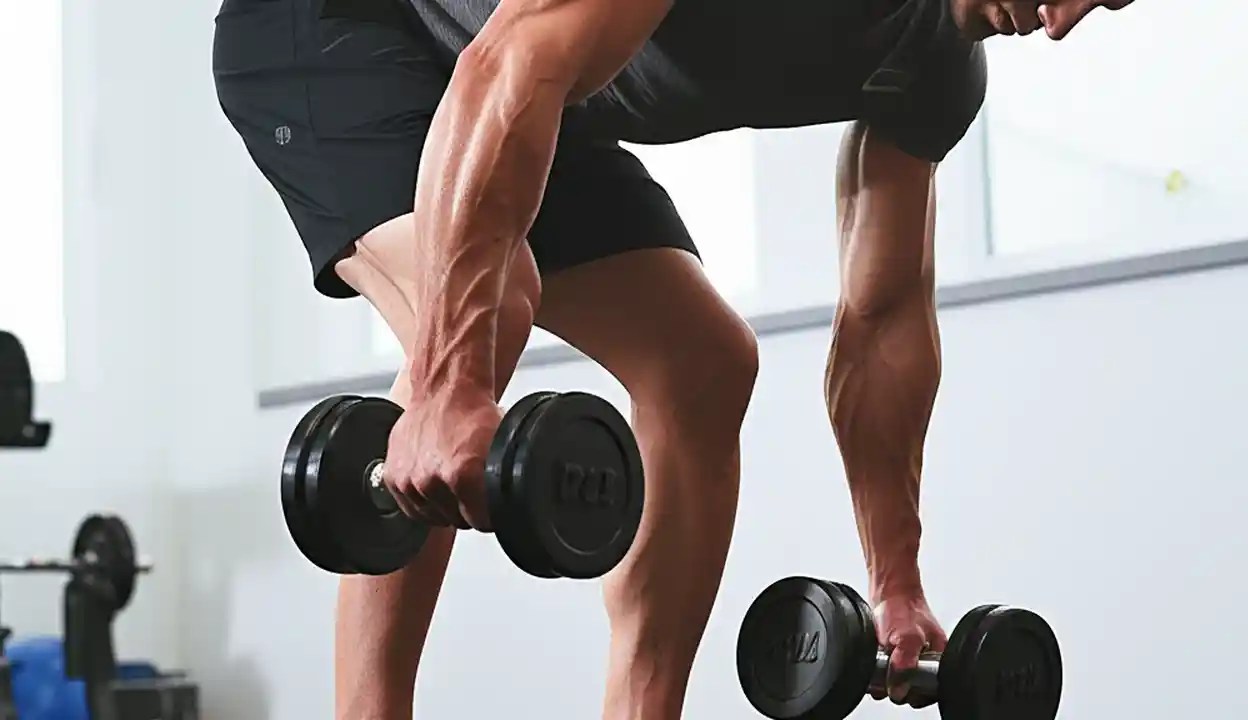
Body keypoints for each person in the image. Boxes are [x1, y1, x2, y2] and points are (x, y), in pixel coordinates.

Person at [212, 0, 1134, 716]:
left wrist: (894, 585)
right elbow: (509, 66)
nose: (1063, 22)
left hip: (528, 70)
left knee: (705, 362)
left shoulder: (936, 64)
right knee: (491, 306)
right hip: (353, 31)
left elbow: (884, 320)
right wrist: (449, 384)